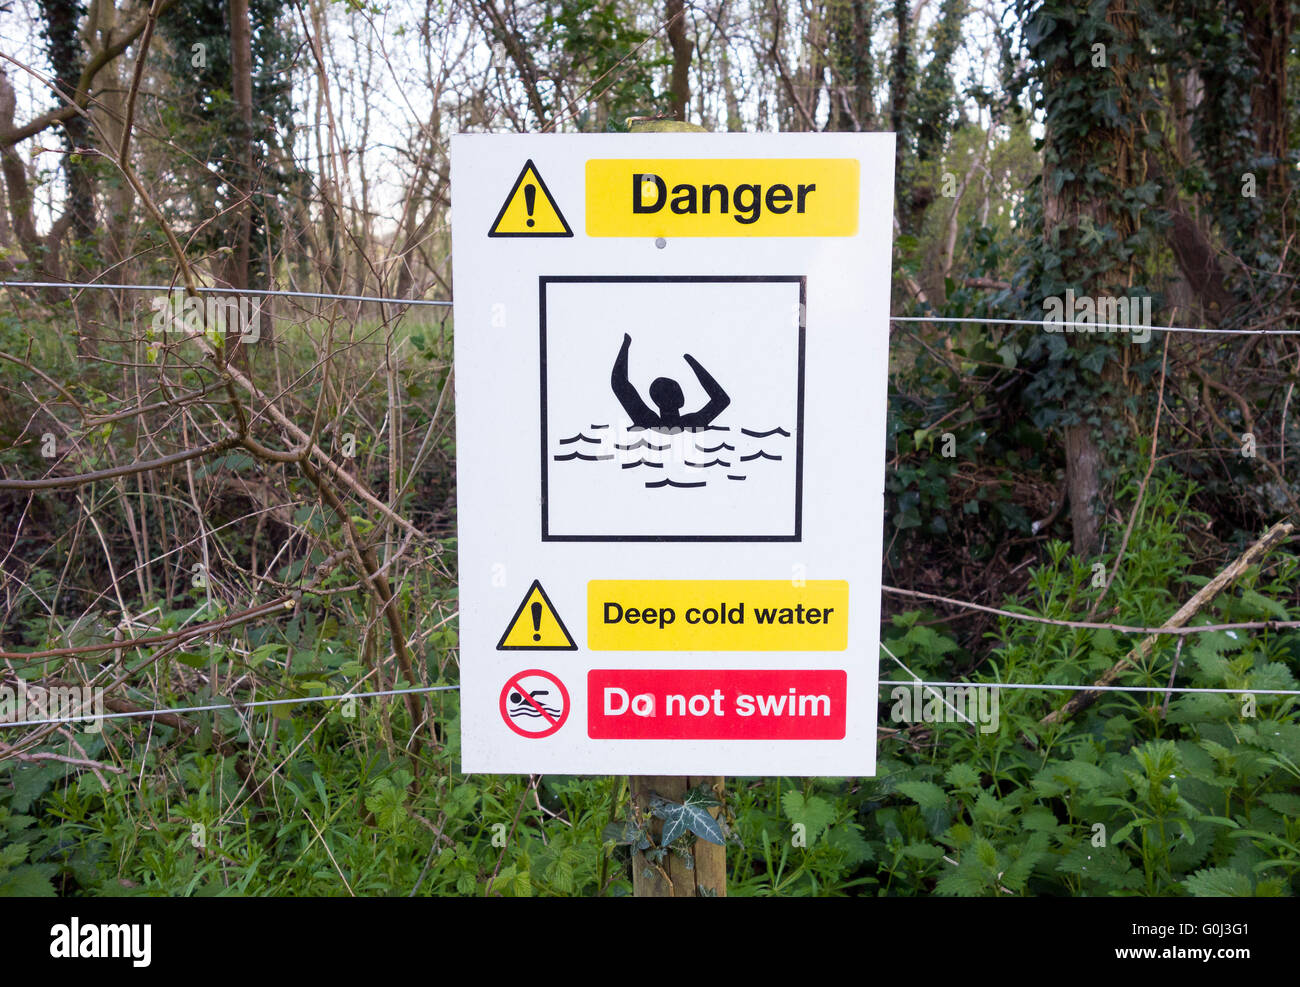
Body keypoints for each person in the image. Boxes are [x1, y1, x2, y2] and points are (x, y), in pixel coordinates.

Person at [610, 333, 730, 430]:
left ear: (656, 401)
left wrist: (625, 346)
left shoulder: (648, 421)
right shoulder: (692, 423)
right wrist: (694, 364)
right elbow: (721, 400)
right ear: (681, 399)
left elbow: (619, 383)